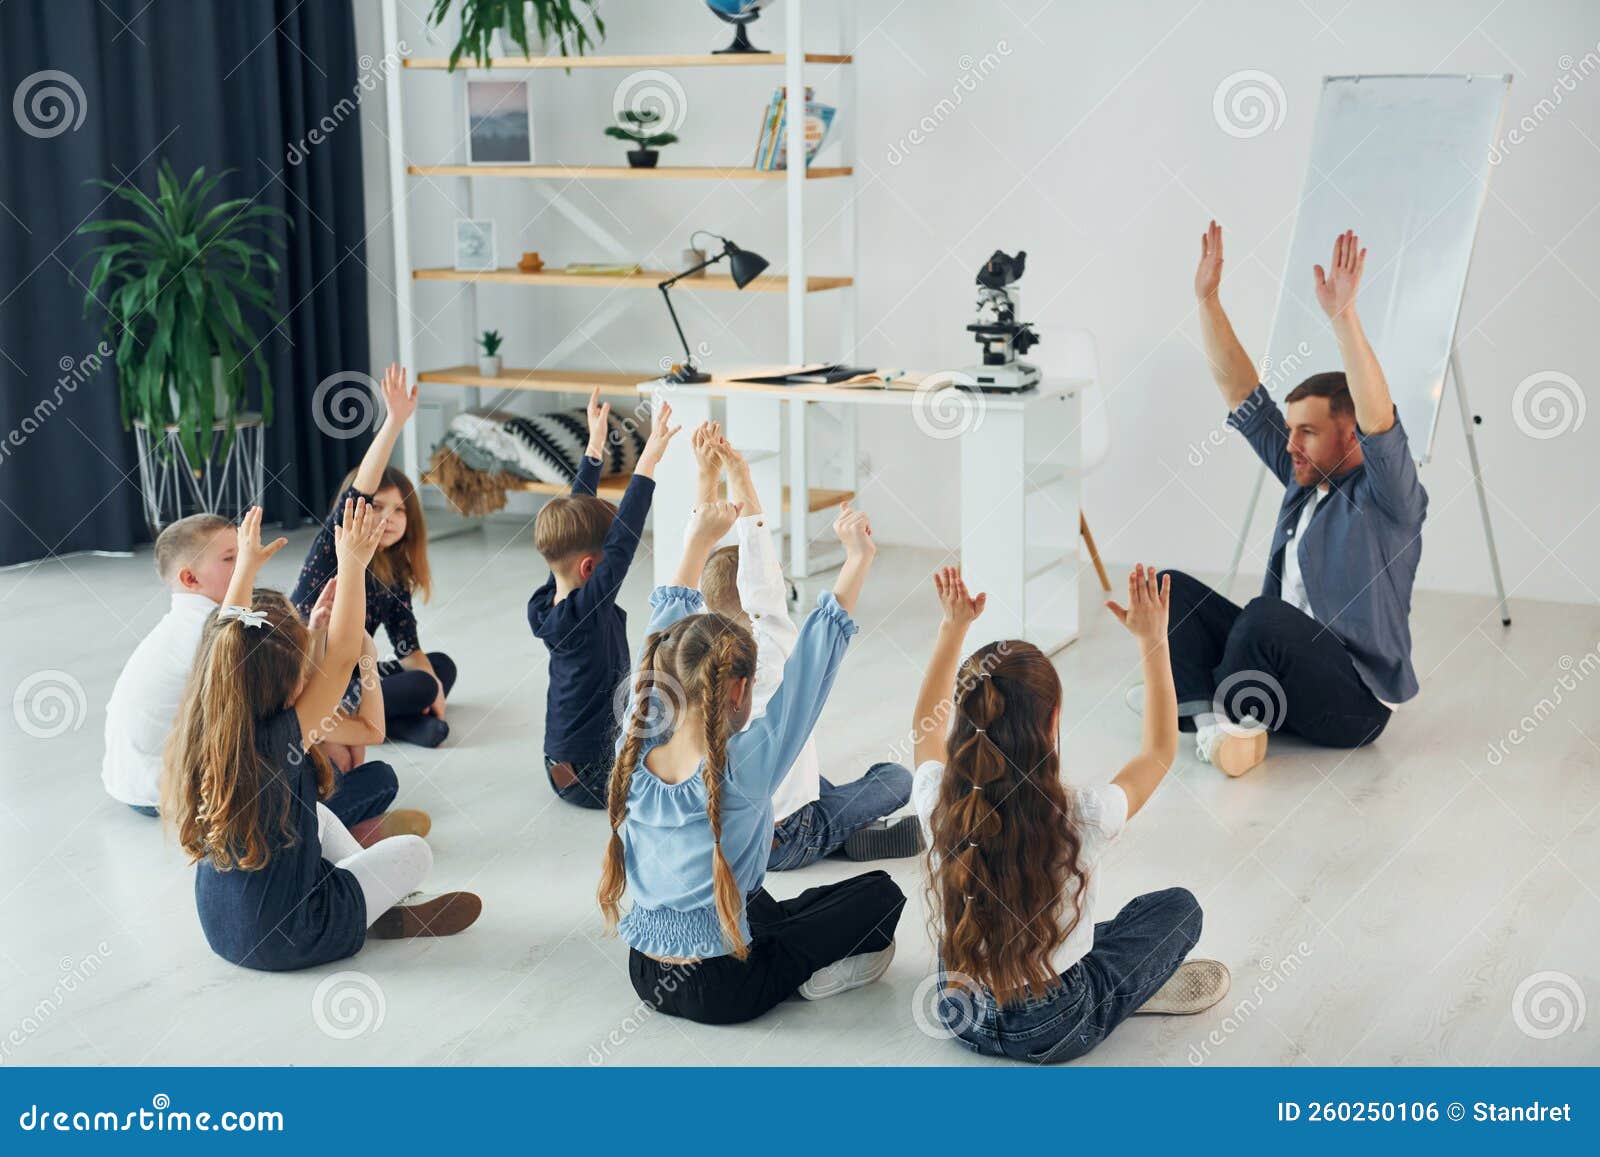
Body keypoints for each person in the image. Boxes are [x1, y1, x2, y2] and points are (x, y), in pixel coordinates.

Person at [599, 499, 905, 1025]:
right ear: (741, 689)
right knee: (879, 895)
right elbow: (811, 670)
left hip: (644, 975)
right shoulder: (746, 765)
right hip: (726, 987)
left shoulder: (637, 741)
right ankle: (807, 975)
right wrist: (856, 559)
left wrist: (696, 540)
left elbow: (659, 641)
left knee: (771, 905)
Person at [1140, 223, 1427, 776]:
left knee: (1264, 618)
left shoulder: (1388, 498)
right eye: (1291, 430)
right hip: (1284, 668)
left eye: (1308, 431)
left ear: (1352, 439)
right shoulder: (1304, 476)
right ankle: (1213, 725)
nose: (1289, 443)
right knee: (1169, 589)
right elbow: (1242, 392)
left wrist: (1344, 320)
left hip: (1351, 705)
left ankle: (1218, 713)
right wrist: (1207, 301)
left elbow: (1380, 420)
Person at [915, 565, 1228, 1063]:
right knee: (1177, 909)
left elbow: (922, 731)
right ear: (1052, 721)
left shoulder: (937, 799)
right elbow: (1159, 752)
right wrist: (1154, 640)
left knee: (1006, 919)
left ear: (963, 720)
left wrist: (952, 630)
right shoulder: (1085, 813)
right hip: (1051, 1024)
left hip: (957, 1009)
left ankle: (1123, 982)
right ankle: (1128, 992)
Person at [165, 504, 480, 971]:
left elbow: (228, 639)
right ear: (283, 683)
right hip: (293, 935)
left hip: (222, 928)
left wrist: (247, 567)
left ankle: (370, 891)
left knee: (318, 816)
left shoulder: (209, 723)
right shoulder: (277, 739)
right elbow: (341, 657)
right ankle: (380, 903)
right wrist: (352, 563)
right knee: (414, 853)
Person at [103, 512, 423, 845]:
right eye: (232, 558)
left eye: (245, 553)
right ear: (189, 578)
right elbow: (338, 668)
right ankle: (324, 834)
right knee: (363, 772)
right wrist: (353, 567)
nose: (246, 564)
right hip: (165, 794)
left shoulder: (195, 626)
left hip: (136, 781)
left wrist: (313, 633)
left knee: (329, 745)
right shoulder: (217, 636)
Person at [689, 422, 920, 869]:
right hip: (786, 838)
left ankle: (844, 828)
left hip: (725, 830)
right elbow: (764, 586)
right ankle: (841, 836)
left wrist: (707, 478)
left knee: (807, 773)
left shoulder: (689, 647)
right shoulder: (771, 654)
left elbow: (695, 560)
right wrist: (739, 475)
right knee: (894, 779)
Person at [528, 391, 678, 807]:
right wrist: (647, 462)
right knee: (683, 759)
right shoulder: (584, 612)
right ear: (591, 570)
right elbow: (622, 544)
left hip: (563, 764)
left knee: (671, 717)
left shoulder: (550, 598)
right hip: (588, 775)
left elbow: (576, 522)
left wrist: (594, 450)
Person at [291, 364, 453, 748]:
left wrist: (435, 692)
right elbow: (359, 492)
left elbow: (406, 645)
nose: (389, 519)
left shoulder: (395, 569)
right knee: (421, 683)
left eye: (399, 511)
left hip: (355, 677)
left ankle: (394, 723)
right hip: (313, 685)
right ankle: (388, 719)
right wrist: (394, 423)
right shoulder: (334, 548)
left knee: (439, 668)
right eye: (378, 507)